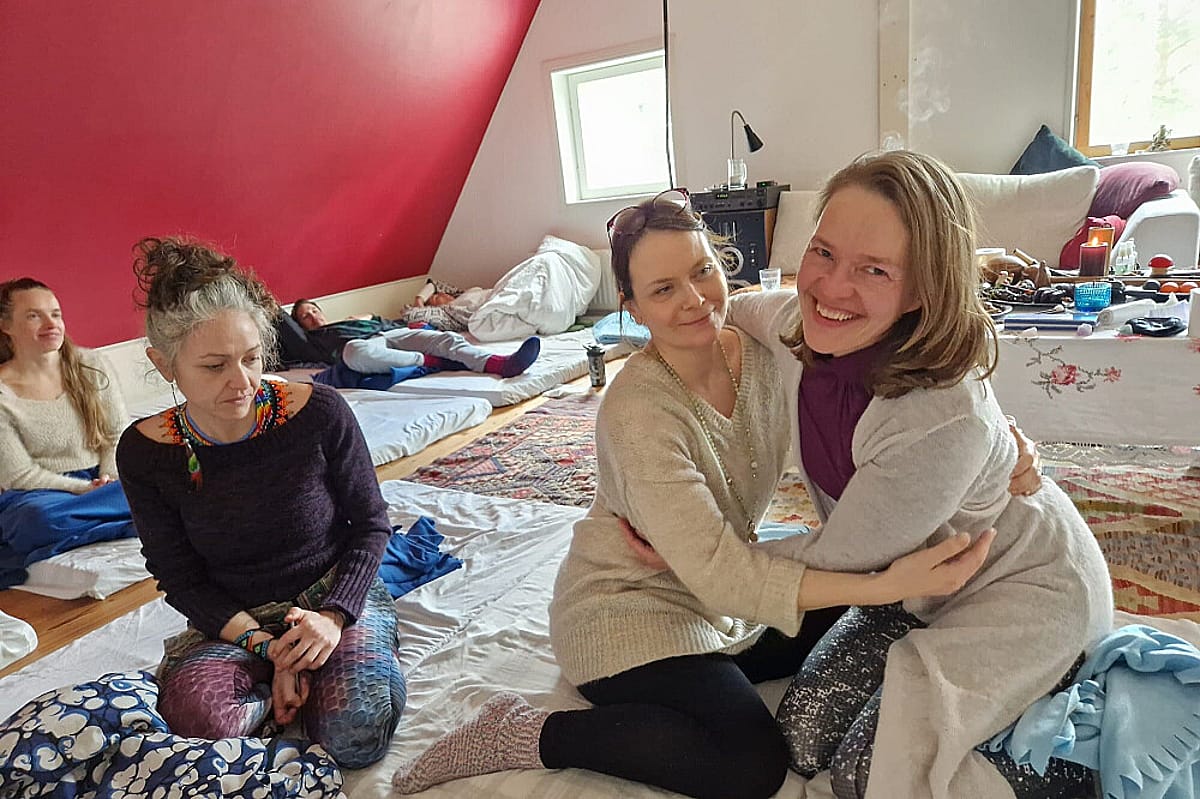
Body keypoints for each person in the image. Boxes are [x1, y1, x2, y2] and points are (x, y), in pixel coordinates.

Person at [392, 190, 1004, 799]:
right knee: (750, 765)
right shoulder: (638, 412)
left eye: (701, 271)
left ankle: (714, 666)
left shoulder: (769, 351)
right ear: (631, 307)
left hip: (713, 591)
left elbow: (898, 373)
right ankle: (528, 733)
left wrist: (1004, 441)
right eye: (663, 290)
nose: (693, 299)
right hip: (627, 607)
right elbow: (720, 572)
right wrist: (883, 584)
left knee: (854, 598)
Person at [723, 151, 1112, 798]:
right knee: (802, 738)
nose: (831, 287)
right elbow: (737, 309)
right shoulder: (798, 323)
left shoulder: (942, 413)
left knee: (867, 773)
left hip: (1025, 597)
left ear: (925, 289)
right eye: (823, 252)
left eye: (874, 269)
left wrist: (693, 561)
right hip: (912, 586)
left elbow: (839, 558)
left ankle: (1091, 745)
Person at [115, 237, 405, 769]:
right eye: (214, 366)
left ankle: (315, 671)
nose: (242, 382)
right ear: (164, 364)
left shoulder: (319, 413)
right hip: (235, 619)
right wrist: (268, 648)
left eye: (251, 358)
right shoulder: (145, 452)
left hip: (331, 597)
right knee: (200, 722)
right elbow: (178, 576)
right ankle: (282, 679)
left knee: (355, 731)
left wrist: (333, 618)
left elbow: (370, 524)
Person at [0, 278, 134, 589]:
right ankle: (129, 518)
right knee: (35, 520)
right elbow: (20, 476)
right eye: (34, 316)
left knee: (167, 480)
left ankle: (104, 519)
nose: (51, 324)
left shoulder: (91, 364)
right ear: (6, 326)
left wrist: (108, 479)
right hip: (39, 495)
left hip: (106, 481)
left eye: (56, 314)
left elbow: (117, 435)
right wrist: (85, 491)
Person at [289, 298, 540, 379]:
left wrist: (413, 326)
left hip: (390, 332)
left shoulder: (354, 318)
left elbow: (387, 323)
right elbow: (283, 324)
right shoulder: (313, 340)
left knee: (445, 338)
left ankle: (500, 364)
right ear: (300, 325)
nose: (312, 316)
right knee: (354, 352)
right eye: (304, 317)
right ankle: (433, 362)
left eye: (313, 310)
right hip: (367, 346)